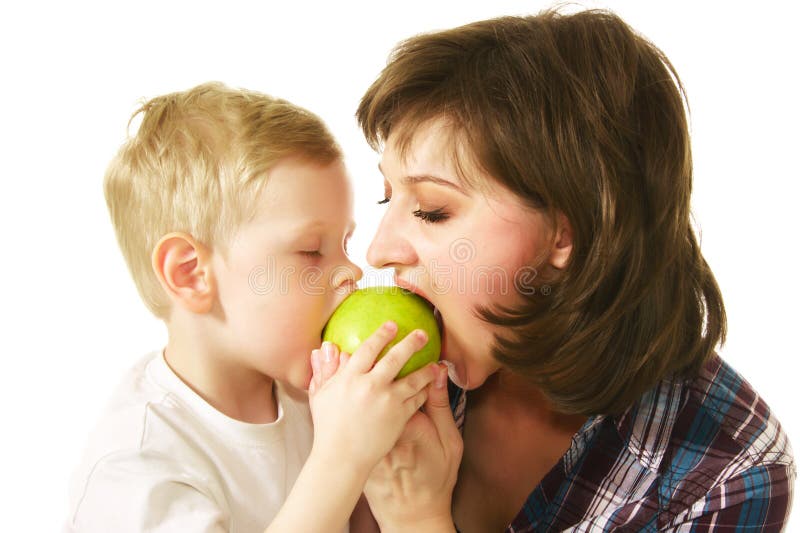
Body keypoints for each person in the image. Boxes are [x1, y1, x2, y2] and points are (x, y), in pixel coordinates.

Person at [323, 8, 796, 532]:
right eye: (385, 197)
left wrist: (415, 518)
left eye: (433, 210)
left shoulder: (728, 474)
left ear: (565, 234)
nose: (378, 250)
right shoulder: (358, 378)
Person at [64, 82, 447, 533]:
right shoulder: (135, 471)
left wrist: (393, 465)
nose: (352, 273)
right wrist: (342, 458)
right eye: (311, 251)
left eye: (344, 243)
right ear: (191, 274)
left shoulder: (313, 397)